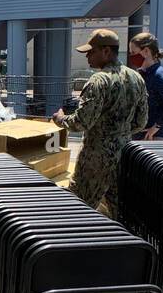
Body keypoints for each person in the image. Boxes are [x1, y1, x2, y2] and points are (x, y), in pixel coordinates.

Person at [51, 28, 147, 219]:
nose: (87, 56)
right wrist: (118, 132)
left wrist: (61, 119)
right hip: (124, 155)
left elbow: (81, 122)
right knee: (120, 210)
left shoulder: (99, 81)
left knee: (79, 207)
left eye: (91, 51)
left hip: (96, 158)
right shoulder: (137, 78)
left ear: (106, 51)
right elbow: (141, 122)